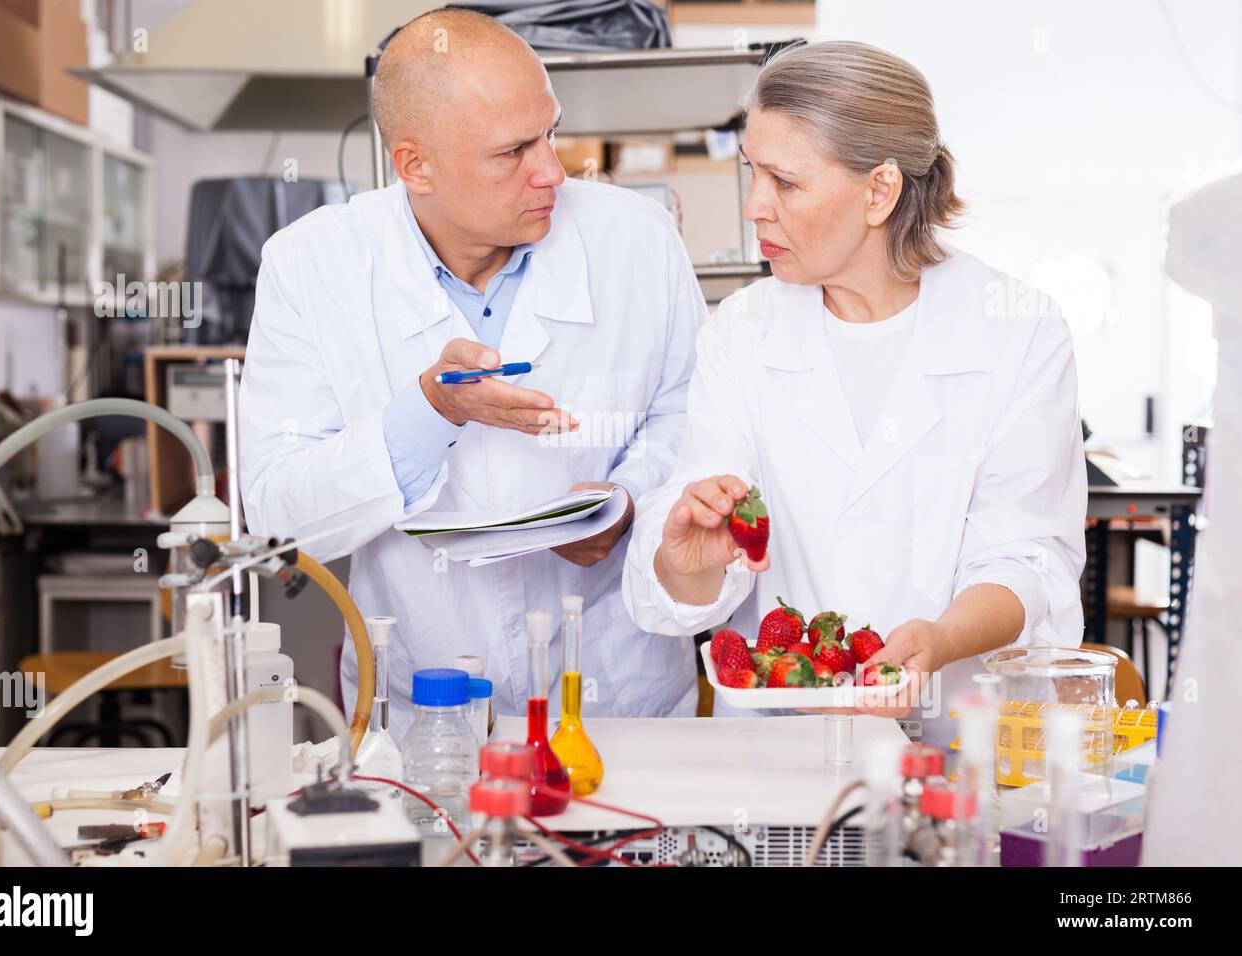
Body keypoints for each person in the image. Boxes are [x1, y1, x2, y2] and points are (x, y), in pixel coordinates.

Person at [238, 9, 706, 741]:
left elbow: (692, 418)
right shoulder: (310, 266)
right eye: (514, 150)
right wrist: (430, 413)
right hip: (426, 712)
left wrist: (627, 502)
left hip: (622, 698)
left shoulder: (638, 240)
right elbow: (276, 519)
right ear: (415, 165)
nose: (552, 170)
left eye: (550, 132)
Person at [622, 41, 1087, 746]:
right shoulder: (743, 332)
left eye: (785, 181)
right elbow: (696, 573)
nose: (754, 206)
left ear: (880, 191)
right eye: (752, 172)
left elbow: (1026, 559)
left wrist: (938, 637)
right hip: (784, 753)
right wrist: (684, 561)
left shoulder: (1017, 329)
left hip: (961, 748)